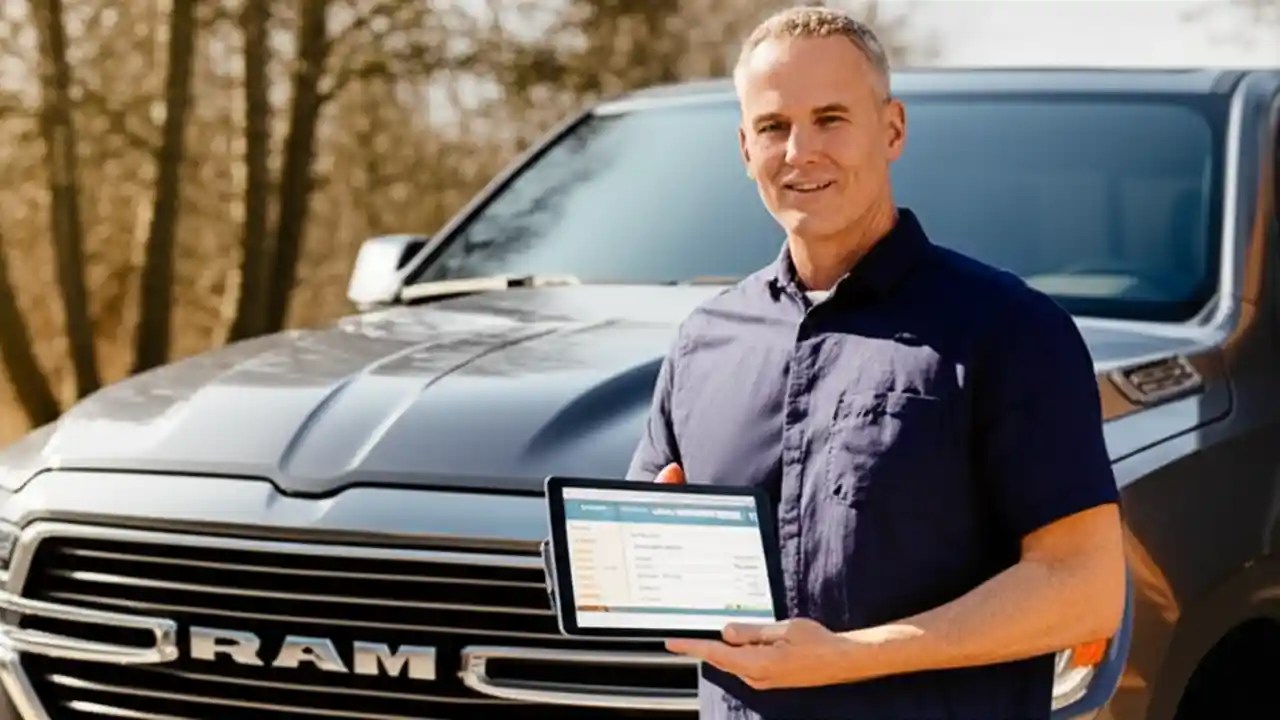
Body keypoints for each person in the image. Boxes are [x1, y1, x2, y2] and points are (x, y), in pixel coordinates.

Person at [626, 6, 1127, 719]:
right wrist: (653, 560)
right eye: (773, 127)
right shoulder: (705, 340)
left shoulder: (1009, 330)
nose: (800, 150)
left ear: (891, 130)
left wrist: (852, 656)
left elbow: (1084, 589)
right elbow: (635, 553)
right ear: (744, 148)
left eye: (830, 118)